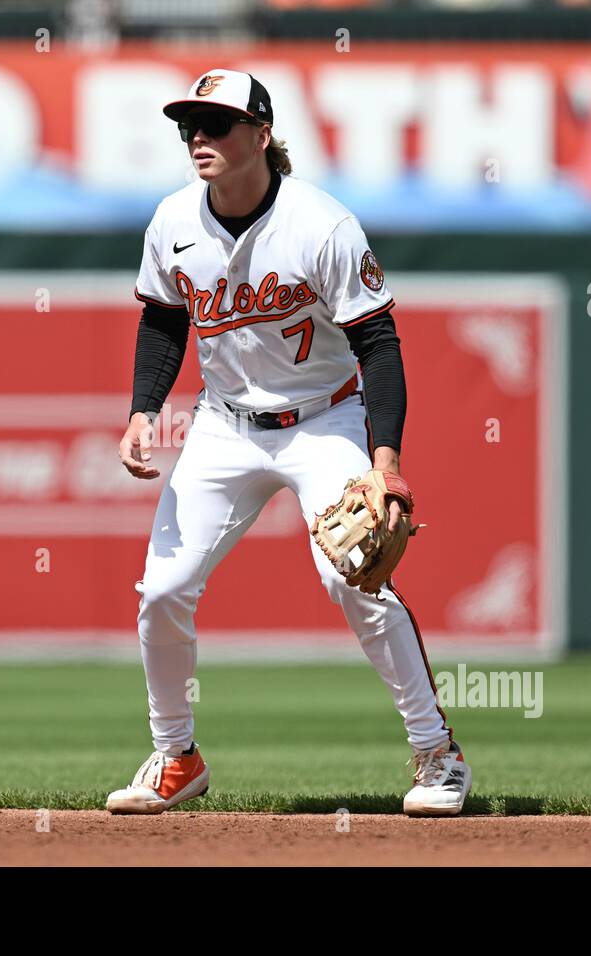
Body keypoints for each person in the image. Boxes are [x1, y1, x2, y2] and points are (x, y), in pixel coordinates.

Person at [108, 70, 471, 816]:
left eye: (216, 124)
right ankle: (176, 757)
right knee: (164, 592)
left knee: (354, 573)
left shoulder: (322, 224)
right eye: (189, 126)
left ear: (262, 136)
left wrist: (387, 463)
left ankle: (437, 755)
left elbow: (378, 343)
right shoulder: (172, 219)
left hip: (324, 418)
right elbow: (165, 318)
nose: (198, 139)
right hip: (223, 424)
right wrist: (145, 408)